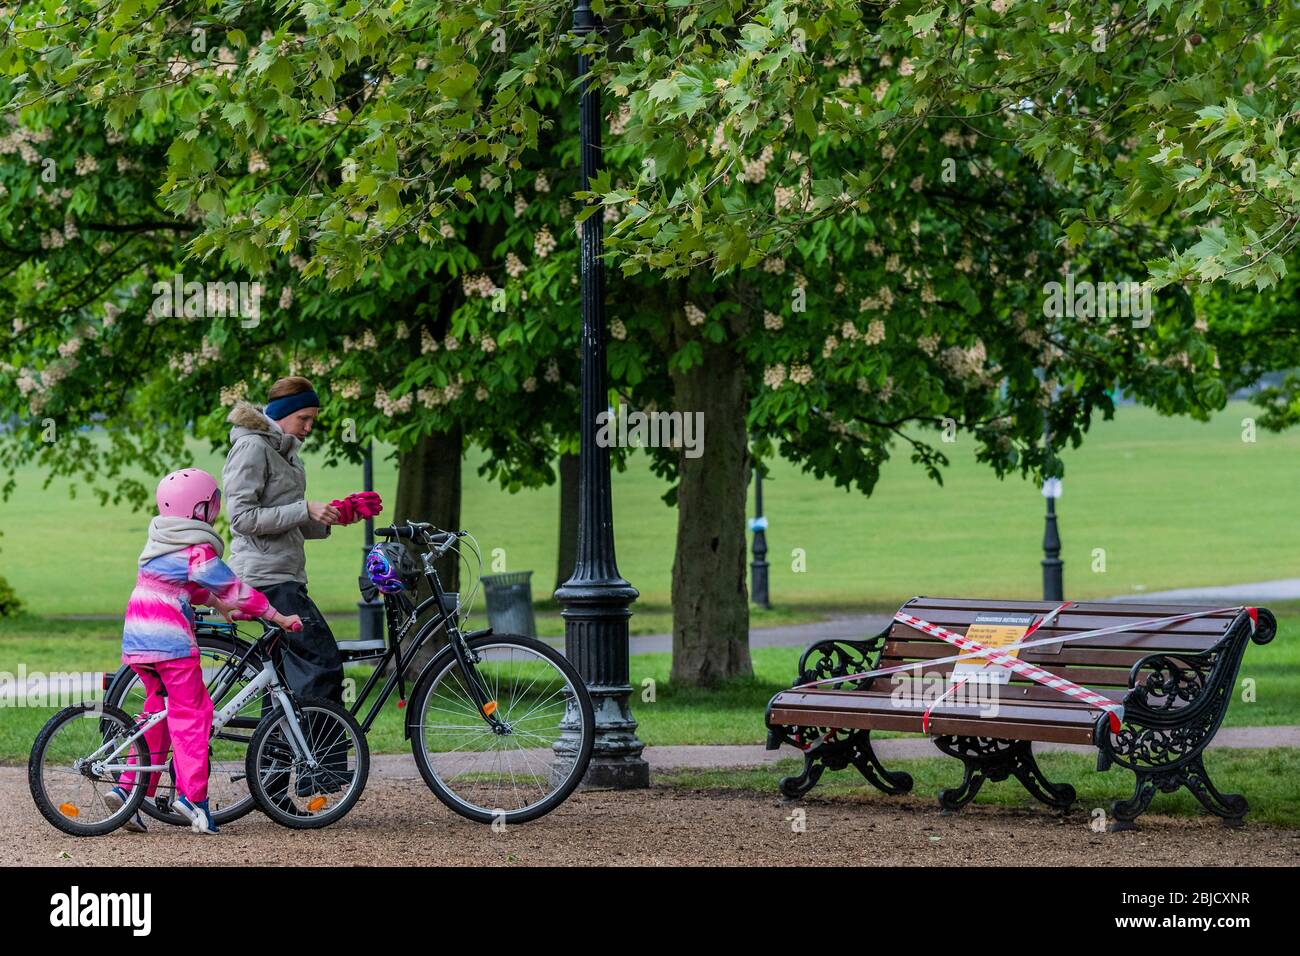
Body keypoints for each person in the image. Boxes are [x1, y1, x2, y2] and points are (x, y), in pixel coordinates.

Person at [110, 468, 301, 834]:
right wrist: (276, 615)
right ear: (200, 510)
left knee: (157, 713)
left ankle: (128, 792)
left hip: (139, 638)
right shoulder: (196, 549)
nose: (216, 512)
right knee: (193, 715)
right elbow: (233, 586)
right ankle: (192, 799)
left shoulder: (161, 543)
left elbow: (192, 588)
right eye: (213, 505)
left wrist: (221, 606)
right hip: (170, 642)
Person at [222, 376, 381, 706]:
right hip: (267, 578)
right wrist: (304, 508)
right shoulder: (253, 447)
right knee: (322, 662)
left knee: (283, 673)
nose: (309, 427)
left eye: (313, 419)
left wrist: (336, 514)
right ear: (280, 414)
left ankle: (280, 757)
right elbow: (241, 519)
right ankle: (321, 756)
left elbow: (286, 520)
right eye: (303, 418)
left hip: (285, 574)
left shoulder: (287, 453)